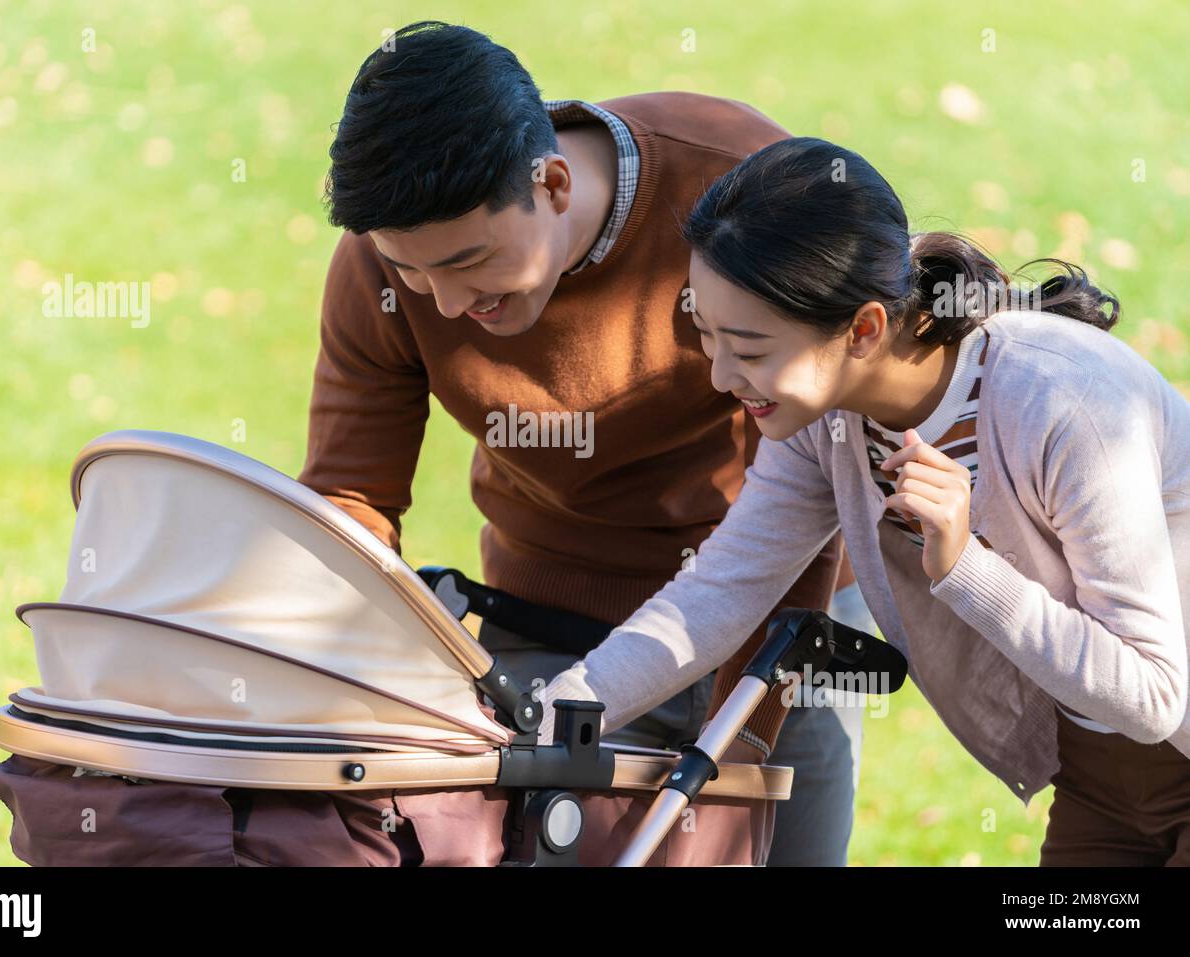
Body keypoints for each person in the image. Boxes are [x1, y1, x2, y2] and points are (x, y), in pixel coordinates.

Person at [537, 136, 1190, 865]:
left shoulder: (1066, 404)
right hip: (1104, 771)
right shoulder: (827, 421)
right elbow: (719, 592)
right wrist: (554, 713)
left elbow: (1154, 692)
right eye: (708, 337)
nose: (722, 375)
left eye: (750, 350)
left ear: (865, 329)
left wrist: (966, 567)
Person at [299, 21, 855, 864]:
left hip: (775, 607)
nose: (443, 304)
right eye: (414, 273)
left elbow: (812, 486)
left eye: (469, 261)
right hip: (543, 610)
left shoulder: (741, 193)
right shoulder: (385, 259)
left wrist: (738, 740)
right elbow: (353, 496)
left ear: (553, 183)